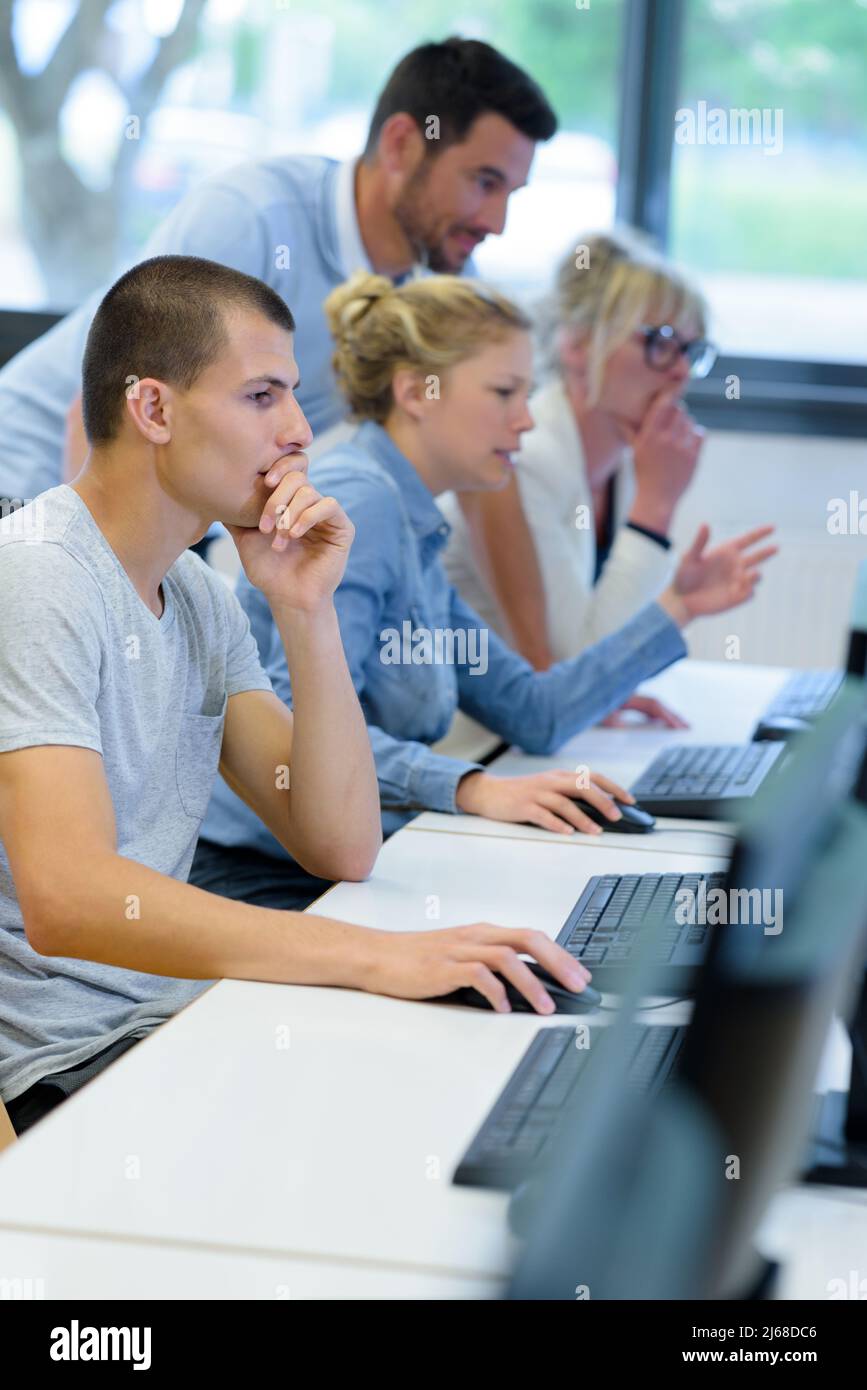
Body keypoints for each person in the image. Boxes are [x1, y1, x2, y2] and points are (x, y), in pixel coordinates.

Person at [0, 256, 594, 1137]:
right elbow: (72, 897)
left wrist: (305, 611)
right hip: (70, 1064)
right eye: (261, 397)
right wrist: (370, 955)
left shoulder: (195, 591)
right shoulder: (41, 576)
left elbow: (339, 842)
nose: (297, 431)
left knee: (454, 1090)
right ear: (154, 408)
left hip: (175, 1017)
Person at [195, 271, 773, 904]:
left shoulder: (410, 516)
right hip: (264, 875)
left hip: (342, 859)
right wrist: (472, 787)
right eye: (504, 392)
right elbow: (296, 726)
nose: (526, 421)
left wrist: (679, 606)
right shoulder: (363, 503)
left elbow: (532, 710)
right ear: (416, 392)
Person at [0, 34, 556, 571]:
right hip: (33, 485)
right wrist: (110, 606)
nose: (497, 223)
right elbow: (100, 412)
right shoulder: (253, 218)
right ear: (401, 144)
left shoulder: (444, 280)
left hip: (169, 526)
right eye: (485, 182)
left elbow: (484, 477)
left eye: (513, 193)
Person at [437, 231, 772, 725]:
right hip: (477, 748)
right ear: (576, 345)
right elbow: (573, 668)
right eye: (660, 343)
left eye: (691, 350)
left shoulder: (622, 461)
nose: (680, 372)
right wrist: (655, 512)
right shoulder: (524, 458)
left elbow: (591, 675)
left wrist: (609, 692)